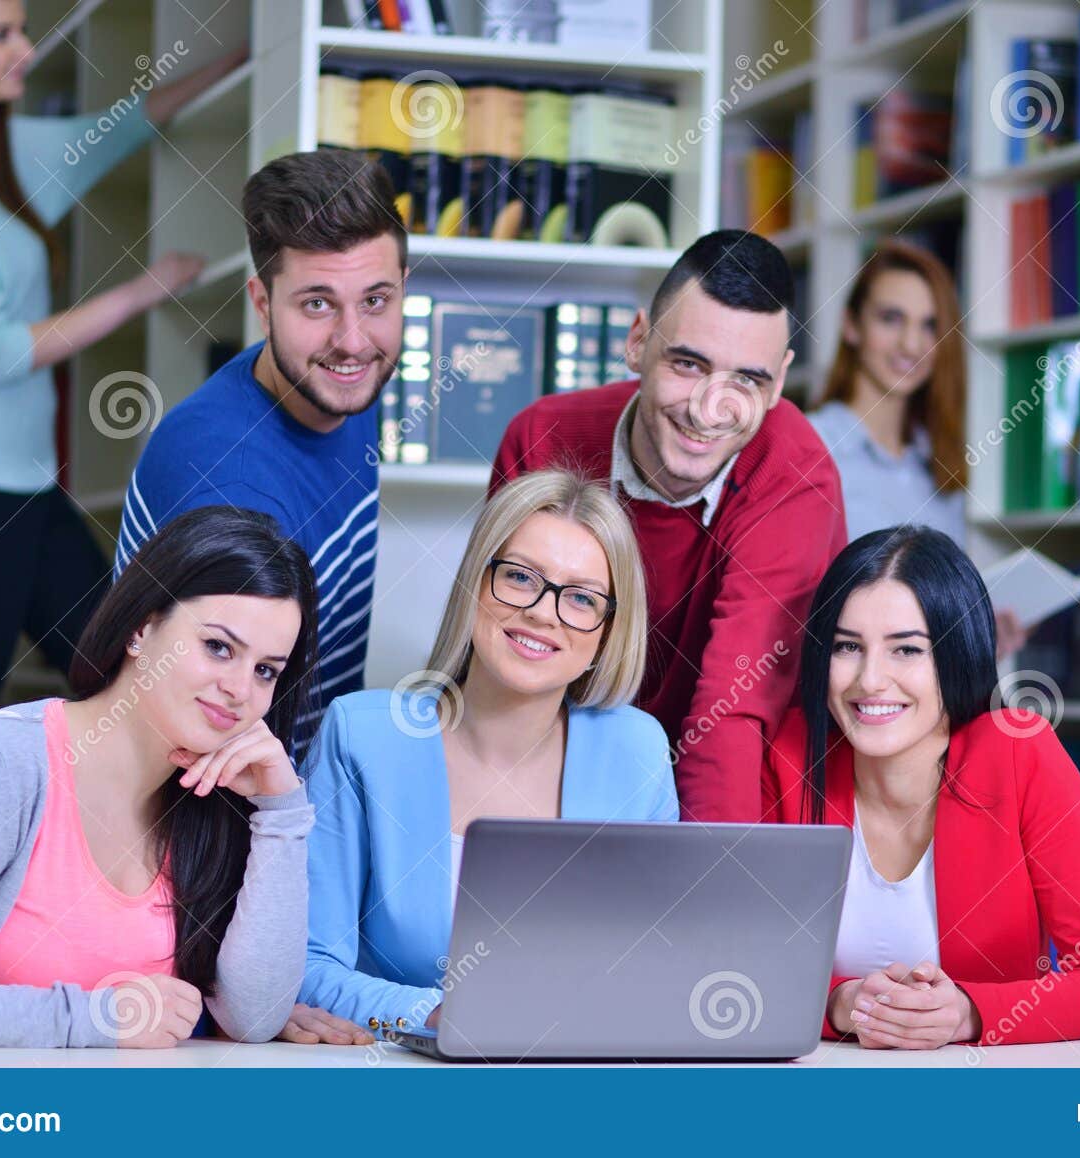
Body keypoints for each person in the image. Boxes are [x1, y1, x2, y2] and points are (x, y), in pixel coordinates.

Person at [0, 0, 245, 862]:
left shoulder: (5, 162)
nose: (26, 47)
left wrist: (250, 54)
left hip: (20, 486)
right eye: (3, 34)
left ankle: (122, 875)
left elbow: (122, 127)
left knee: (120, 666)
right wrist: (145, 290)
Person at [0, 506, 370, 1048]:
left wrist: (281, 814)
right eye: (218, 647)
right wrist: (96, 1018)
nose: (239, 689)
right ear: (141, 628)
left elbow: (252, 1019)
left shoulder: (217, 797)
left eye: (266, 670)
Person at [279, 469, 677, 1042]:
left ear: (607, 634)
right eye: (519, 577)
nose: (542, 612)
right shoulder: (363, 736)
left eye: (582, 598)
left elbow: (657, 968)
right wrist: (438, 1016)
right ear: (475, 584)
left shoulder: (636, 750)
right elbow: (308, 966)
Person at [491, 230, 846, 822]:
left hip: (735, 790)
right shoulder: (542, 439)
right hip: (560, 774)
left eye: (747, 381)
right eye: (688, 364)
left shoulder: (796, 478)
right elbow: (505, 667)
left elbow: (732, 712)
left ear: (779, 383)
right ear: (637, 342)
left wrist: (705, 898)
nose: (709, 408)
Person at [762, 525, 1080, 1048]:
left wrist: (970, 1013)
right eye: (848, 646)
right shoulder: (788, 755)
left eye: (907, 651)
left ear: (956, 655)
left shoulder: (1019, 753)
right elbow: (740, 962)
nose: (870, 680)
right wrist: (836, 1004)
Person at [116, 149, 404, 760]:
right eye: (317, 304)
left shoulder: (339, 383)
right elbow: (206, 743)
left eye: (375, 301)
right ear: (261, 302)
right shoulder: (231, 484)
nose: (352, 340)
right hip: (217, 818)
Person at [808, 239, 1027, 658]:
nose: (912, 344)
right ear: (852, 325)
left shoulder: (937, 463)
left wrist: (981, 641)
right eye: (892, 319)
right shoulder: (812, 446)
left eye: (930, 326)